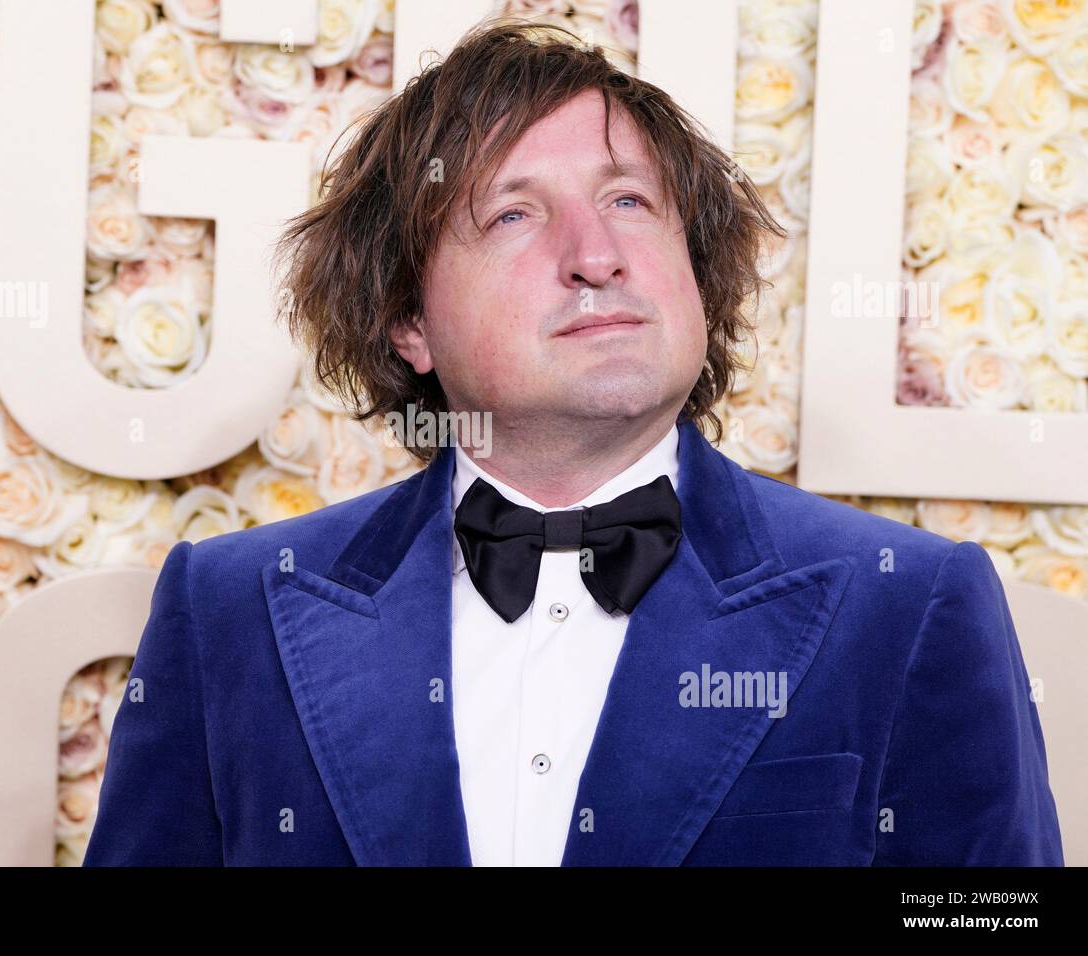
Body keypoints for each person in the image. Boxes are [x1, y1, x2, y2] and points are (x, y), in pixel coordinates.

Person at [83, 19, 1063, 867]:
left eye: (630, 200)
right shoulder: (227, 609)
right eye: (513, 213)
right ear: (406, 321)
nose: (595, 256)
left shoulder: (909, 601)